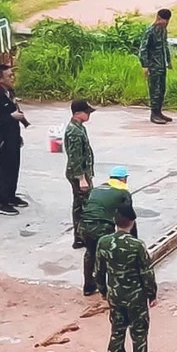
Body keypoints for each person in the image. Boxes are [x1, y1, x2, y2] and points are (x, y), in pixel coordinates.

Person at [95, 205, 161, 352]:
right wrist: (152, 294)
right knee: (139, 332)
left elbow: (99, 270)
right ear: (132, 223)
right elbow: (147, 273)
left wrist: (102, 291)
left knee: (117, 330)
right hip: (136, 296)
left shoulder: (104, 242)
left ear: (115, 222)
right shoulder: (137, 245)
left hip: (115, 295)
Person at [80, 166, 138, 296]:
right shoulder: (123, 192)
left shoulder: (96, 189)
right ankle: (107, 290)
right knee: (108, 256)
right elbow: (130, 217)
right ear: (124, 178)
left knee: (90, 253)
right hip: (102, 227)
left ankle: (88, 286)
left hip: (83, 226)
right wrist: (134, 241)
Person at [0, 64, 29, 215]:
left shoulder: (9, 92)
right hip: (3, 138)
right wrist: (11, 117)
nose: (12, 78)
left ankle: (11, 195)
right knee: (5, 168)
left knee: (14, 166)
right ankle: (3, 202)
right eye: (8, 76)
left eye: (12, 75)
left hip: (13, 136)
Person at [64, 99, 96, 248]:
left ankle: (81, 236)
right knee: (83, 207)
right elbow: (75, 157)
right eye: (86, 112)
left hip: (82, 172)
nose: (89, 115)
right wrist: (81, 178)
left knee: (82, 205)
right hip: (78, 174)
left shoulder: (79, 127)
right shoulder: (74, 132)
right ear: (77, 113)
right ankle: (81, 237)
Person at [138, 8, 174, 125]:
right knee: (154, 90)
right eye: (163, 21)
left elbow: (165, 46)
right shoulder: (150, 31)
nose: (165, 24)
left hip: (162, 64)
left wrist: (168, 61)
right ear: (158, 19)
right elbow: (143, 49)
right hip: (153, 65)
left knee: (162, 89)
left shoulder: (163, 30)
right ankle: (154, 114)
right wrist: (145, 65)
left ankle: (159, 112)